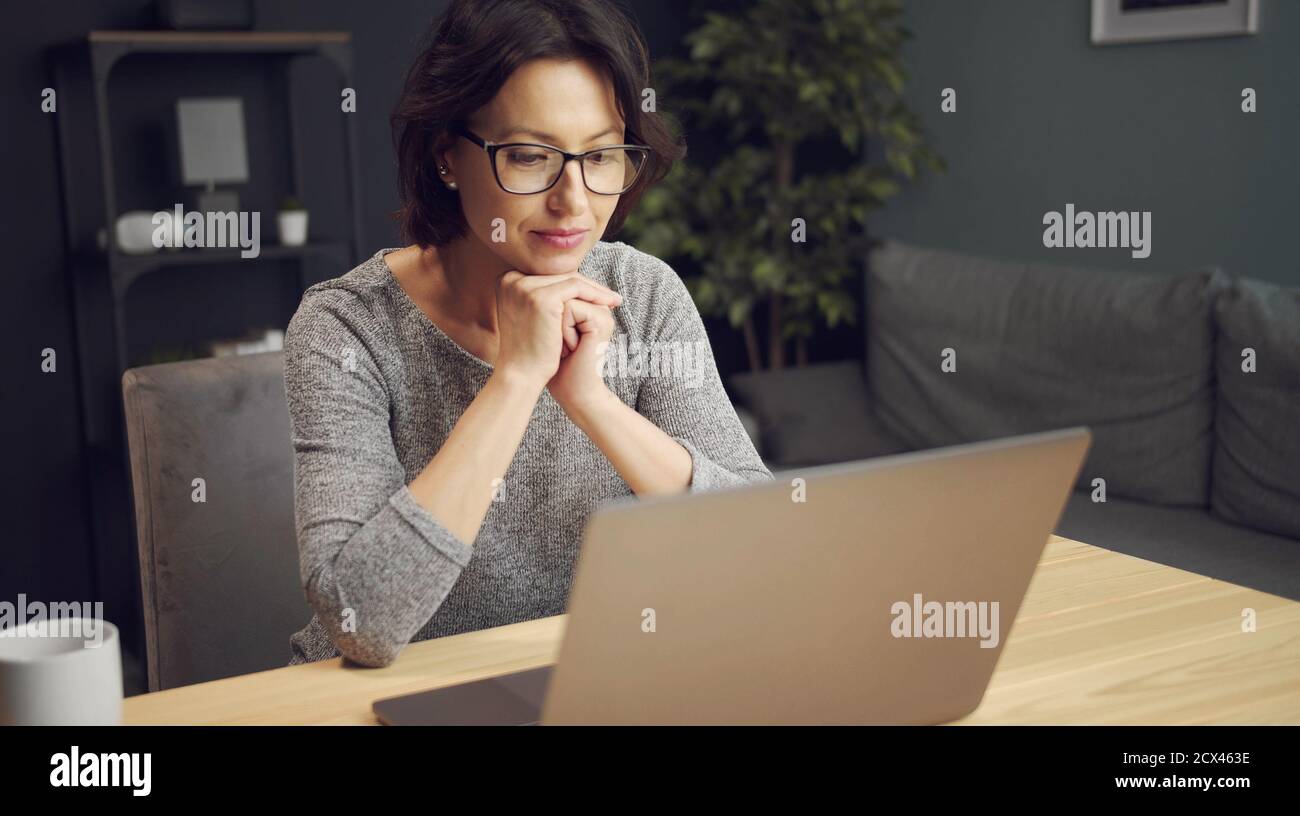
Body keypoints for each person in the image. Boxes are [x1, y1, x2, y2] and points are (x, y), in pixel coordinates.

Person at [284, 0, 772, 668]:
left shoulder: (645, 294)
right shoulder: (348, 328)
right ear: (446, 156)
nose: (574, 200)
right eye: (529, 156)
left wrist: (592, 403)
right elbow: (359, 619)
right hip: (392, 698)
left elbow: (763, 544)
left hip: (588, 683)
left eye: (601, 155)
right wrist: (515, 380)